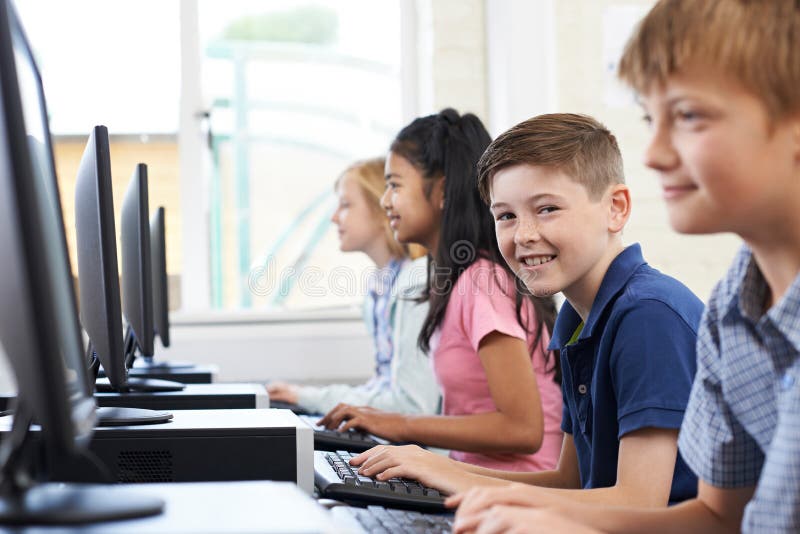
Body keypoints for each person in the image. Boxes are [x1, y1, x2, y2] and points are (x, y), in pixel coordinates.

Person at [454, 1, 800, 532]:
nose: (656, 153)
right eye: (649, 119)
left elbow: (640, 499)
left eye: (687, 116)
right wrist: (511, 505)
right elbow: (717, 518)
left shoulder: (650, 312)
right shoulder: (733, 306)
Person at [368, 113, 702, 514]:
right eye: (505, 215)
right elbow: (569, 482)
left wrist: (461, 480)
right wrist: (438, 468)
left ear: (616, 208)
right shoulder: (576, 319)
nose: (523, 234)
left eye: (546, 209)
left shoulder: (647, 316)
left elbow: (639, 503)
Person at [319, 109, 563, 472]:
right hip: (475, 479)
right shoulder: (455, 280)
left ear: (444, 191)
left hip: (515, 492)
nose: (386, 201)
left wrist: (400, 425)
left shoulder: (483, 284)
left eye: (395, 185)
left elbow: (524, 429)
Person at [267, 158, 439, 416]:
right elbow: (383, 386)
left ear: (382, 209)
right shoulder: (378, 287)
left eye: (346, 205)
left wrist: (310, 397)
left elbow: (410, 405)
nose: (334, 217)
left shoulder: (415, 284)